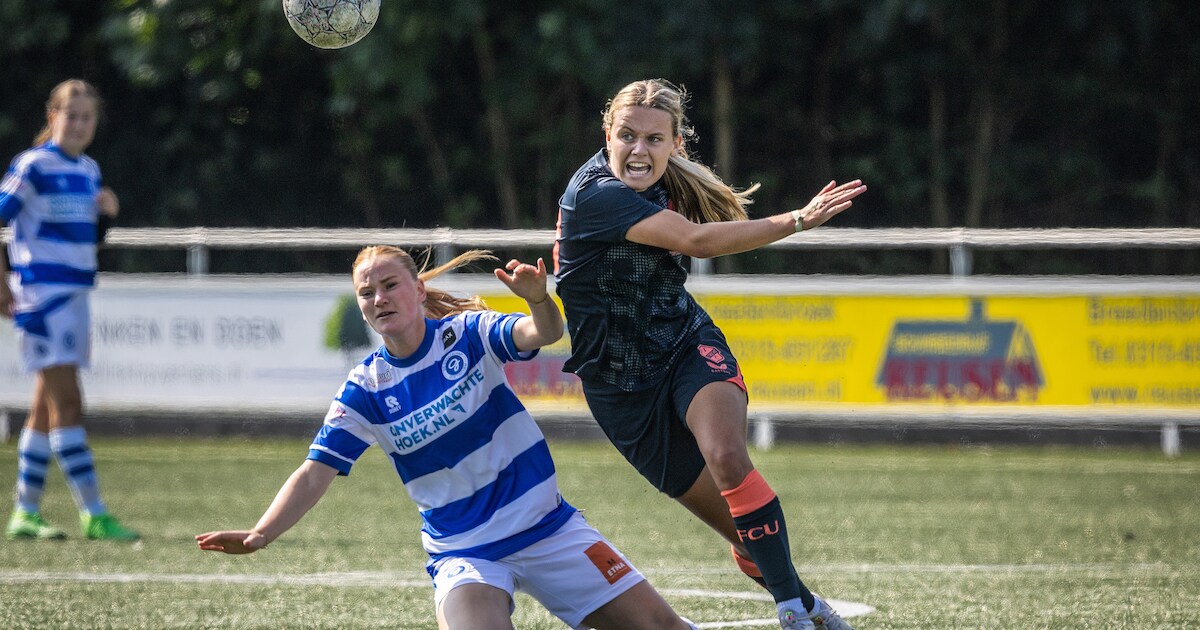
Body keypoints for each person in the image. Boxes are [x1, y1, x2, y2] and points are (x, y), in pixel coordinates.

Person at [196, 246, 698, 630]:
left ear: (417, 290)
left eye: (390, 286)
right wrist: (262, 532)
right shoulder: (365, 390)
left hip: (549, 529)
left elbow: (541, 334)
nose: (379, 299)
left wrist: (540, 299)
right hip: (465, 552)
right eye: (367, 293)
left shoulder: (467, 334)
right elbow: (313, 473)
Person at [553, 79, 867, 630]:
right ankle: (805, 600)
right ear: (607, 135)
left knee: (726, 455)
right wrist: (797, 220)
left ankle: (792, 613)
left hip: (684, 344)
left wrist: (791, 220)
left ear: (675, 144)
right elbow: (696, 242)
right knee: (745, 537)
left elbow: (704, 233)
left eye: (654, 139)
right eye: (626, 136)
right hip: (620, 388)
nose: (638, 150)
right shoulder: (594, 195)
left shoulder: (668, 180)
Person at [1, 79, 138, 541]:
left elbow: (87, 243)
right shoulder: (33, 166)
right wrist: (0, 283)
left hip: (74, 298)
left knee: (43, 409)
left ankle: (24, 512)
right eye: (71, 115)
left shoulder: (89, 170)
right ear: (52, 115)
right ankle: (94, 513)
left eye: (87, 117)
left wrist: (106, 217)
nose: (79, 124)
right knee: (70, 403)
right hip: (44, 300)